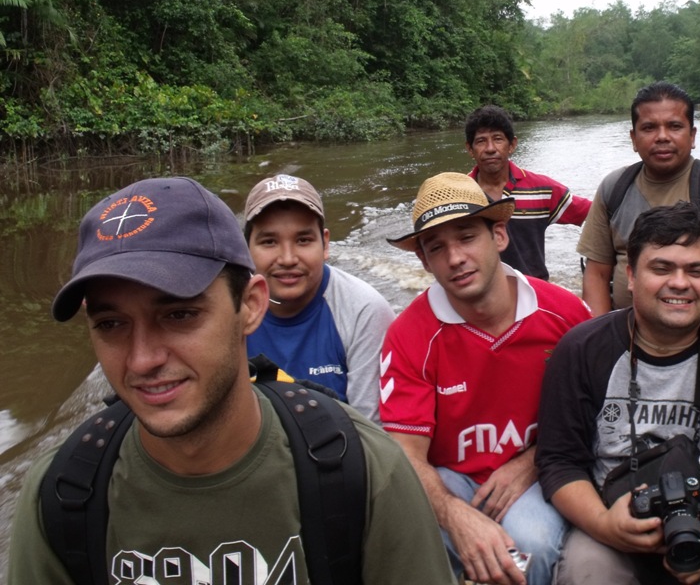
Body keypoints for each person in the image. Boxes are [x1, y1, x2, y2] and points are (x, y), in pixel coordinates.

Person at [8, 177, 454, 584]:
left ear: (251, 306)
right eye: (110, 324)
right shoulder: (61, 498)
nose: (142, 360)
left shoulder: (368, 476)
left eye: (179, 314)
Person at [536, 201, 700, 585]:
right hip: (610, 515)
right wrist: (605, 524)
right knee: (586, 572)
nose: (680, 282)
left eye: (696, 271)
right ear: (629, 275)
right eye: (661, 268)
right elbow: (559, 462)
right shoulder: (582, 351)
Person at [381, 172, 593, 585]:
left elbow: (600, 411)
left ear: (498, 236)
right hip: (450, 478)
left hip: (540, 464)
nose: (455, 258)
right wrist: (453, 515)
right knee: (398, 527)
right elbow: (405, 452)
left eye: (466, 237)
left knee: (533, 544)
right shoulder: (408, 335)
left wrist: (531, 463)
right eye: (436, 248)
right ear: (424, 262)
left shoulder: (564, 314)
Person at [578, 82, 700, 322]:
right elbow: (596, 274)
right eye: (649, 127)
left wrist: (678, 342)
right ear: (633, 138)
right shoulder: (615, 187)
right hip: (625, 333)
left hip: (697, 334)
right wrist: (603, 335)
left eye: (674, 126)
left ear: (692, 136)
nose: (662, 137)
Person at [243, 173, 395, 423]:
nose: (288, 258)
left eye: (303, 240)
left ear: (325, 245)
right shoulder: (227, 310)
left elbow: (371, 434)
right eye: (269, 242)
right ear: (246, 249)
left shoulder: (364, 310)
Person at [466, 105, 592, 280]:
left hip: (534, 294)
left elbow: (594, 213)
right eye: (481, 141)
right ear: (470, 149)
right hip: (480, 295)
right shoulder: (460, 194)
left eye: (498, 139)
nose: (490, 148)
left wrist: (601, 260)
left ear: (512, 145)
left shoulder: (542, 190)